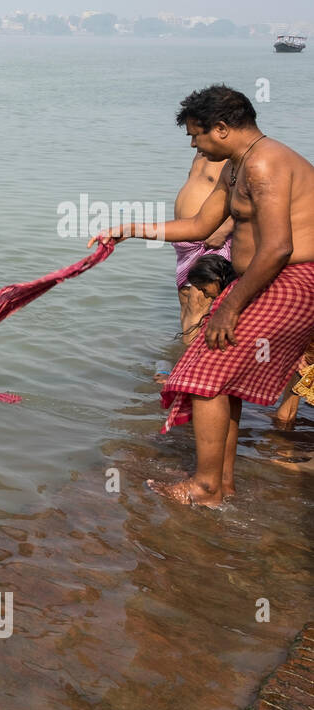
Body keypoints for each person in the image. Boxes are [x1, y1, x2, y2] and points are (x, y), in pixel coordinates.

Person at [91, 84, 314, 506]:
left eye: (197, 135)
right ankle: (221, 483)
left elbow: (278, 247)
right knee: (219, 378)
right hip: (265, 278)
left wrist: (228, 305)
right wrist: (129, 229)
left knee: (204, 375)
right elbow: (198, 227)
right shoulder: (237, 166)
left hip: (292, 279)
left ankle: (205, 487)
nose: (194, 143)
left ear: (223, 128)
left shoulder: (265, 164)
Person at [172, 152, 234, 345]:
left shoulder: (232, 152)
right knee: (186, 300)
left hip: (213, 238)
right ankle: (185, 358)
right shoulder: (203, 149)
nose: (192, 142)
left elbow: (250, 197)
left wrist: (224, 229)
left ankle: (191, 369)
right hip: (187, 241)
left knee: (198, 302)